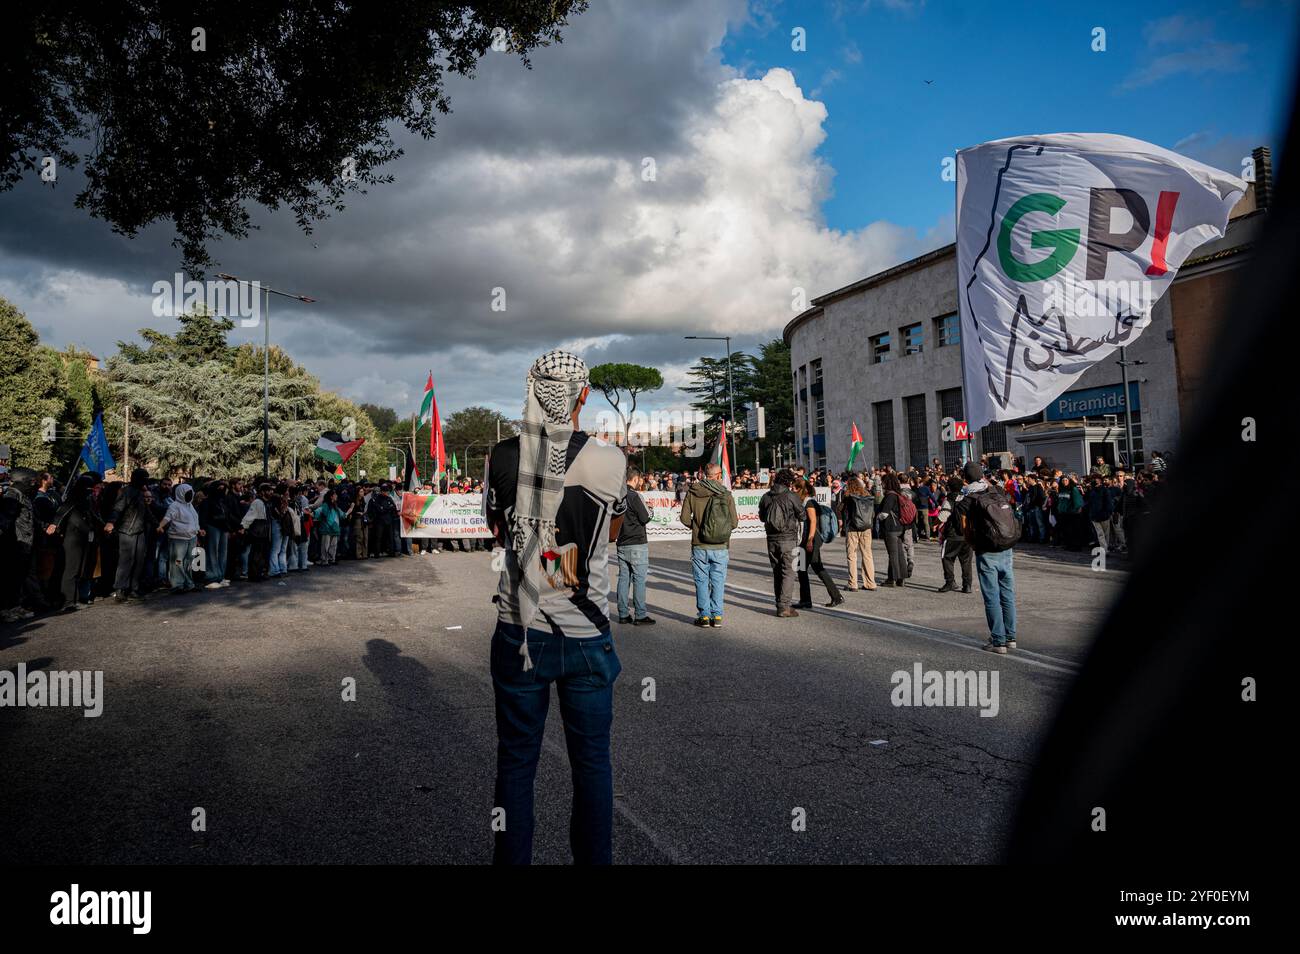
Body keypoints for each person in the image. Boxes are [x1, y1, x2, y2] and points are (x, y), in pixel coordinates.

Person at [483, 350, 627, 866]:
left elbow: (497, 532)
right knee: (592, 766)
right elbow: (610, 534)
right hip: (586, 632)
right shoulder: (610, 460)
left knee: (517, 763)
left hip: (518, 627)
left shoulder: (500, 457)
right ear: (582, 395)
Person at [955, 461, 1019, 654]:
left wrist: (973, 544)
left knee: (991, 596)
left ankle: (998, 640)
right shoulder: (997, 491)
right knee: (1007, 593)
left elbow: (963, 527)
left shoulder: (967, 498)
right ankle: (1011, 637)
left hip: (985, 549)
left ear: (965, 478)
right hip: (1006, 546)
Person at [679, 461, 738, 627]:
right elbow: (734, 522)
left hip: (699, 544)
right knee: (718, 581)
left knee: (701, 581)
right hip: (720, 545)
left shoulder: (693, 491)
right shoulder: (726, 494)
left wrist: (697, 527)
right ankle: (717, 616)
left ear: (705, 474)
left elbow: (684, 518)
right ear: (719, 476)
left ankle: (704, 616)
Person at [758, 469, 804, 617]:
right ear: (789, 482)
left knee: (777, 572)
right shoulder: (792, 496)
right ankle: (784, 606)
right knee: (789, 573)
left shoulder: (766, 496)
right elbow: (802, 515)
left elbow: (762, 517)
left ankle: (779, 603)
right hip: (789, 539)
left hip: (771, 539)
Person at [106, 467, 155, 601]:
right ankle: (120, 589)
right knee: (125, 561)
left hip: (139, 531)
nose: (146, 482)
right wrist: (111, 522)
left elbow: (146, 511)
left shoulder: (139, 492)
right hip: (127, 531)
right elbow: (117, 508)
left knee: (139, 561)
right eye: (144, 479)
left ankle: (134, 588)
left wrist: (157, 525)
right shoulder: (127, 492)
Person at [793, 478, 843, 608]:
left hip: (812, 538)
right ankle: (836, 596)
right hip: (812, 538)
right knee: (815, 567)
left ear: (800, 489)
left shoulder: (809, 503)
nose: (793, 490)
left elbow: (813, 521)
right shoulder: (807, 501)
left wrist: (809, 540)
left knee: (802, 568)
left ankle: (806, 600)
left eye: (794, 488)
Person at [616, 467, 655, 625]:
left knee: (624, 579)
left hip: (622, 541)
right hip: (637, 542)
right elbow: (645, 518)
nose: (641, 482)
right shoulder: (634, 496)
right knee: (639, 579)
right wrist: (651, 510)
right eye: (640, 480)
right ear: (635, 479)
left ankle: (623, 614)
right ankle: (640, 614)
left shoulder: (617, 496)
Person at [158, 482, 202, 594]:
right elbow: (167, 518)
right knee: (177, 561)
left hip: (191, 538)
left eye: (191, 493)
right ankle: (177, 585)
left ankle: (189, 584)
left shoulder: (190, 505)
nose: (190, 495)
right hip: (178, 538)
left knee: (188, 561)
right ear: (181, 493)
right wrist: (160, 526)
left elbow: (194, 520)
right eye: (188, 493)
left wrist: (198, 530)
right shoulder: (174, 506)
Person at [836, 476, 877, 591]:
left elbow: (839, 509)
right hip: (866, 528)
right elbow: (872, 513)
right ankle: (870, 583)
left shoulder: (848, 496)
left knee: (852, 555)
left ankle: (853, 583)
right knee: (867, 555)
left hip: (853, 528)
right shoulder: (867, 495)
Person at [936, 475, 973, 594]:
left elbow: (943, 517)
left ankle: (950, 582)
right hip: (967, 534)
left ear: (949, 487)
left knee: (947, 558)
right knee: (966, 561)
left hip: (952, 535)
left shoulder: (949, 499)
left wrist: (935, 523)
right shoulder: (967, 498)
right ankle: (967, 585)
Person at [877, 472, 911, 587]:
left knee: (892, 554)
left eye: (883, 482)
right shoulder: (898, 494)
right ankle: (901, 578)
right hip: (900, 527)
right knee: (899, 553)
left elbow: (884, 513)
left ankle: (892, 579)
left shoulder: (890, 496)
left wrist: (877, 517)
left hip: (891, 528)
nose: (882, 484)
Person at [313, 489, 342, 565]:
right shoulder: (325, 505)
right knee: (325, 546)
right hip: (327, 528)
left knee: (333, 545)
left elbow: (342, 514)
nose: (336, 496)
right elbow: (319, 510)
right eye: (335, 495)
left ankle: (331, 559)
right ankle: (324, 560)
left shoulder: (335, 506)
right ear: (331, 496)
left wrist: (349, 510)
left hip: (334, 528)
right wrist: (312, 512)